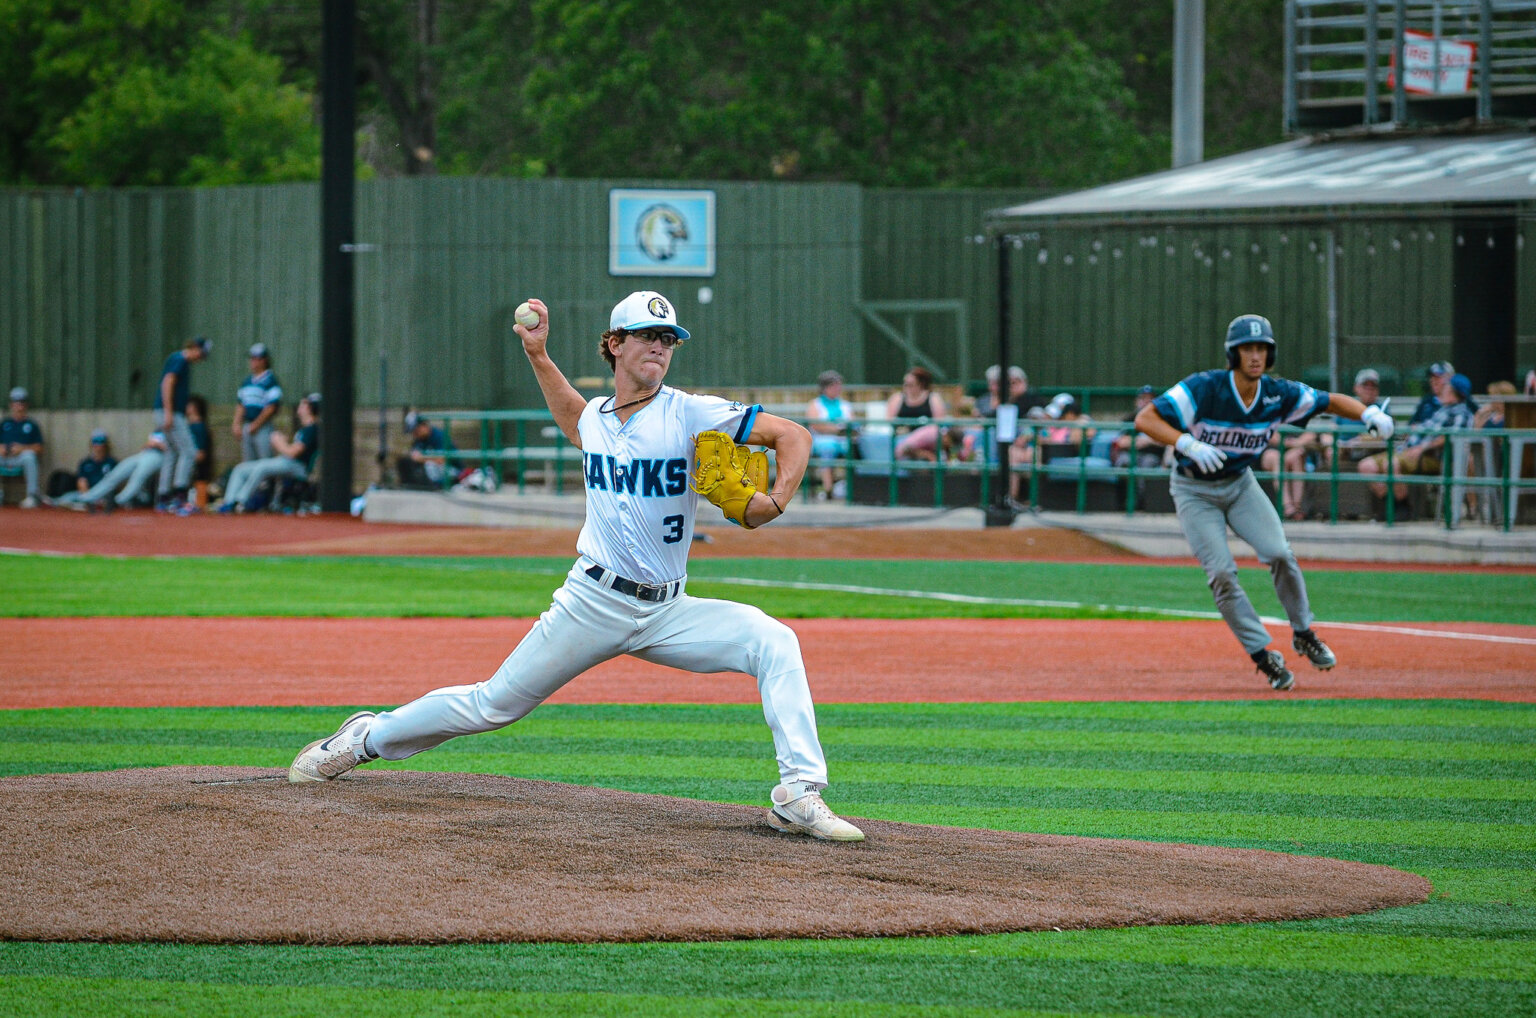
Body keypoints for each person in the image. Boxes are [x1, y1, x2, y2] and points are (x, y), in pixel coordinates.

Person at [287, 291, 864, 842]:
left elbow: (793, 435)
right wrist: (538, 355)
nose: (660, 347)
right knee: (494, 704)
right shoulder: (596, 419)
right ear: (614, 344)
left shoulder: (691, 414)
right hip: (593, 603)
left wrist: (776, 499)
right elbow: (575, 416)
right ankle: (367, 737)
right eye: (647, 336)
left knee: (775, 641)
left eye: (668, 338)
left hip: (669, 610)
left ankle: (798, 795)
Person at [1134, 314, 1393, 692]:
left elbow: (1327, 401)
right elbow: (1146, 418)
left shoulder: (1276, 393)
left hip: (1240, 484)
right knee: (1222, 573)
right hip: (1194, 490)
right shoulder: (1206, 387)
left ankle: (1304, 632)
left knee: (1279, 552)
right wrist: (1185, 442)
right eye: (1246, 348)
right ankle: (1262, 656)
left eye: (1261, 348)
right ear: (1233, 353)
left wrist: (1368, 413)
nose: (1254, 355)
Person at [1358, 372, 1475, 507]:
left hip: (1430, 455)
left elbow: (1452, 436)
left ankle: (1402, 508)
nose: (1442, 389)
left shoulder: (1462, 412)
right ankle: (1390, 505)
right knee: (1366, 466)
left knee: (1391, 464)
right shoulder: (1441, 409)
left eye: (1446, 386)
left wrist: (1422, 448)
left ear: (1453, 391)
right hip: (1406, 449)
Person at [217, 393, 320, 512]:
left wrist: (279, 442)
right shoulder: (304, 429)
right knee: (240, 469)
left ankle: (240, 501)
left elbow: (293, 453)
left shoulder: (312, 429)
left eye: (304, 404)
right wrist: (282, 442)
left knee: (262, 467)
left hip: (300, 468)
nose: (300, 407)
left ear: (310, 408)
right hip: (287, 462)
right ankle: (228, 502)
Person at [154, 335, 211, 511]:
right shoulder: (180, 360)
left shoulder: (178, 359)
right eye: (201, 353)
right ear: (194, 347)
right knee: (189, 451)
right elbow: (168, 382)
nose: (200, 358)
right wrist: (169, 412)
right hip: (171, 412)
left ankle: (163, 496)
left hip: (166, 411)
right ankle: (180, 495)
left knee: (171, 452)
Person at [56, 431, 168, 511]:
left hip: (160, 457)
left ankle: (117, 501)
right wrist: (150, 444)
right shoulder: (158, 430)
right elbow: (146, 446)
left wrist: (159, 445)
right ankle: (87, 498)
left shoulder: (178, 429)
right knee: (114, 475)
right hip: (144, 454)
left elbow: (177, 450)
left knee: (137, 477)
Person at [804, 370, 852, 499]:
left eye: (838, 385)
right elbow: (816, 425)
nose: (837, 388)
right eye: (833, 385)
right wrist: (836, 429)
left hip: (842, 439)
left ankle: (852, 487)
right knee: (828, 448)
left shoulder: (845, 405)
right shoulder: (815, 404)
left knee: (853, 448)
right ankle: (828, 488)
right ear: (824, 388)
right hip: (821, 439)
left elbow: (851, 423)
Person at [885, 367, 948, 462]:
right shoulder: (897, 398)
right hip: (903, 438)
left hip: (926, 440)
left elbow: (939, 424)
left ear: (921, 384)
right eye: (905, 384)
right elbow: (889, 421)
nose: (906, 388)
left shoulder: (933, 398)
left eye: (911, 385)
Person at [232, 343, 282, 462]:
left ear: (264, 360)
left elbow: (271, 407)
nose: (253, 362)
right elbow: (241, 404)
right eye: (252, 359)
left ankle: (267, 481)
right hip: (248, 425)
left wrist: (256, 424)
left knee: (265, 460)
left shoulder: (270, 381)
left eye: (256, 359)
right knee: (248, 461)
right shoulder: (247, 381)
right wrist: (236, 423)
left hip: (262, 426)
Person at [1, 387, 45, 508]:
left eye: (22, 403)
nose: (19, 407)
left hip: (20, 459)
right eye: (16, 403)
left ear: (26, 405)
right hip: (4, 458)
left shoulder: (32, 425)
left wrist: (22, 449)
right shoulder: (5, 423)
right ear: (11, 405)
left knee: (29, 457)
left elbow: (39, 448)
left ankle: (32, 496)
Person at [1112, 385, 1166, 471]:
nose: (1147, 402)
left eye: (1150, 399)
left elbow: (1165, 441)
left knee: (1148, 463)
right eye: (1143, 398)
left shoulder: (1162, 419)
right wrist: (1145, 440)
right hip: (1130, 454)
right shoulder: (1129, 418)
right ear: (1137, 401)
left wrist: (1146, 441)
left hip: (1152, 455)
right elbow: (1121, 442)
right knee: (1125, 462)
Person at [397, 411, 455, 489]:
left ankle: (434, 487)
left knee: (429, 464)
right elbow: (414, 456)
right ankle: (412, 486)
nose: (415, 433)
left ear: (424, 425)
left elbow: (442, 459)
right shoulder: (419, 440)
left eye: (416, 430)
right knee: (405, 462)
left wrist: (423, 458)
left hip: (452, 471)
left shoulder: (439, 436)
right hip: (435, 472)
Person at [186, 394, 214, 512]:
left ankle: (200, 503)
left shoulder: (199, 426)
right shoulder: (188, 425)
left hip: (198, 464)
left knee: (200, 478)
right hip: (189, 460)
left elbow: (201, 452)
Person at [73, 430, 118, 496]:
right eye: (95, 441)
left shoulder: (112, 462)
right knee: (67, 498)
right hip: (89, 494)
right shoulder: (85, 463)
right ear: (91, 444)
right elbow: (81, 482)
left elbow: (116, 483)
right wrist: (88, 497)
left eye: (101, 441)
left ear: (106, 444)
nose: (98, 445)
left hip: (106, 495)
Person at [1410, 361, 1454, 425]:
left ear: (1449, 378)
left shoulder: (1459, 400)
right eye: (1432, 377)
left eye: (1438, 377)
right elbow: (1412, 424)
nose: (1433, 381)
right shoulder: (1427, 401)